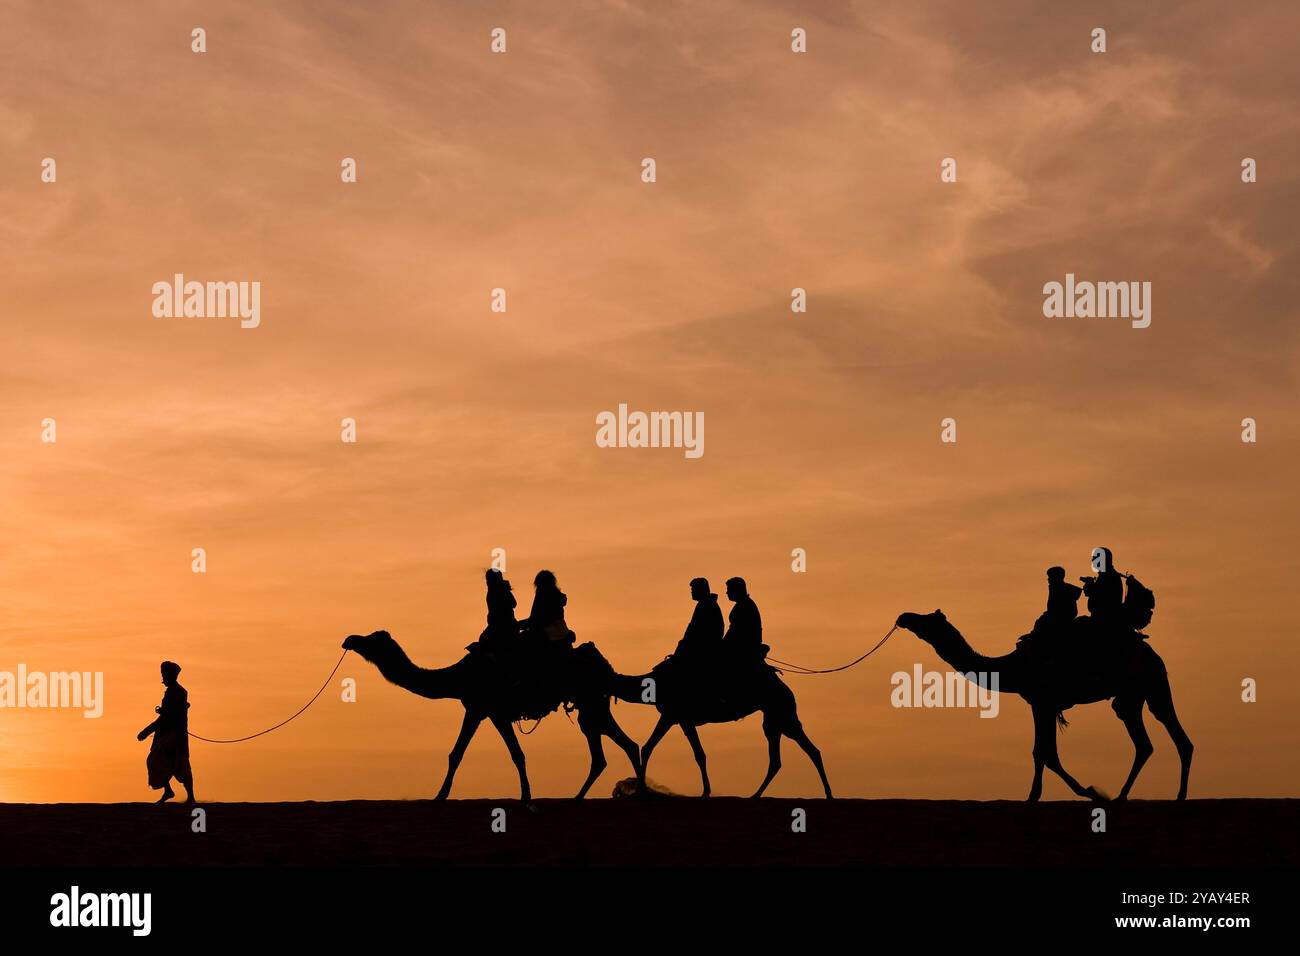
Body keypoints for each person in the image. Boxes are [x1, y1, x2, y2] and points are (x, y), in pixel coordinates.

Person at [137, 661, 195, 804]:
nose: (163, 677)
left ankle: (190, 797)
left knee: (180, 764)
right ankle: (169, 791)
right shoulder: (173, 692)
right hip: (166, 734)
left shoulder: (179, 692)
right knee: (157, 761)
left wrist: (146, 731)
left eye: (164, 674)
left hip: (175, 735)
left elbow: (167, 717)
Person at [520, 569, 574, 647]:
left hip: (551, 634)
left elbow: (538, 619)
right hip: (560, 632)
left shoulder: (546, 596)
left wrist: (519, 625)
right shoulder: (556, 596)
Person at [472, 568, 518, 652]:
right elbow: (514, 604)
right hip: (500, 625)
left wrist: (506, 590)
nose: (487, 582)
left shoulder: (498, 590)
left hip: (502, 626)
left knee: (484, 640)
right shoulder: (496, 590)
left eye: (488, 579)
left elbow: (513, 604)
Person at [722, 577, 764, 663]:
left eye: (729, 589)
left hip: (744, 648)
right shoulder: (744, 603)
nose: (727, 592)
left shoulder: (744, 605)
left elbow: (736, 630)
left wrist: (723, 644)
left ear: (737, 590)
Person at [1081, 547, 1124, 626]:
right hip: (1100, 617)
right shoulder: (1106, 575)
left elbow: (1102, 598)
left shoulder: (1109, 577)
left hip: (1105, 619)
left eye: (1095, 558)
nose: (1092, 561)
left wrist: (1090, 586)